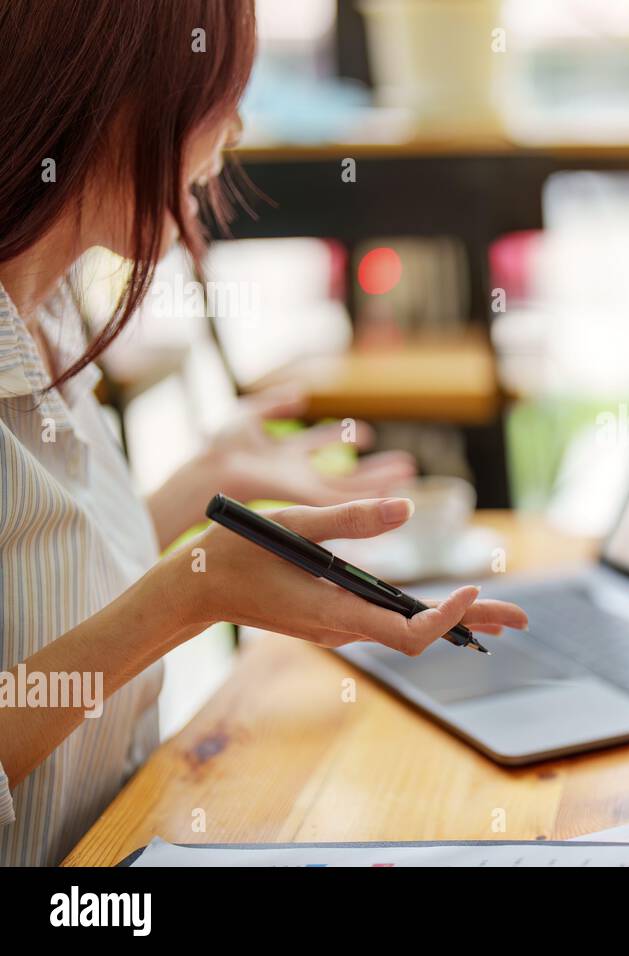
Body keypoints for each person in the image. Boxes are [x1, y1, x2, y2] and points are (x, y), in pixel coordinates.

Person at [0, 0, 526, 866]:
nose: (236, 124)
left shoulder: (48, 319)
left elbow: (32, 588)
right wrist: (188, 596)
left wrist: (187, 495)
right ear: (110, 95)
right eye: (216, 89)